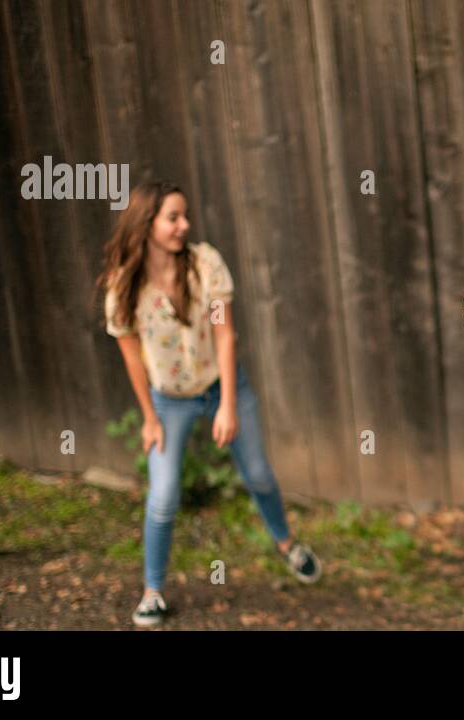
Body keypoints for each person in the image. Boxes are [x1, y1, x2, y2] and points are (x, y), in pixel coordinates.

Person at [97, 181, 321, 627]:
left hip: (222, 386)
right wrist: (149, 418)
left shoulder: (206, 265)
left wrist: (229, 406)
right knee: (163, 497)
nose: (185, 225)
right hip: (169, 401)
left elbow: (223, 332)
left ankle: (287, 544)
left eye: (185, 216)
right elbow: (133, 361)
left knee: (257, 472)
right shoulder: (124, 287)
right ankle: (152, 592)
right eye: (173, 218)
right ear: (147, 224)